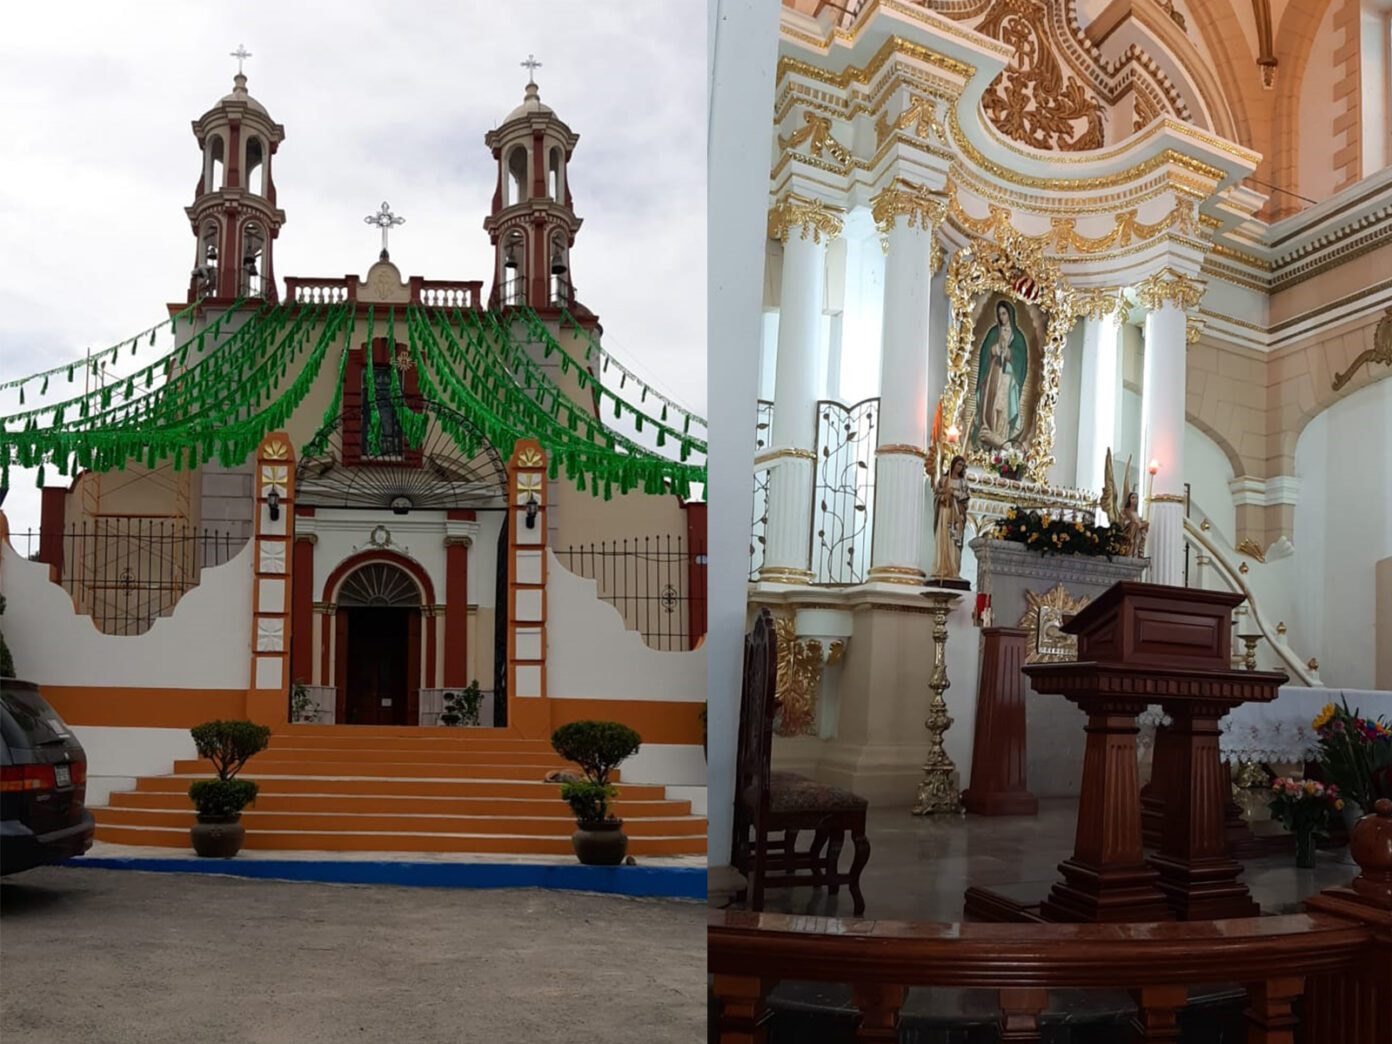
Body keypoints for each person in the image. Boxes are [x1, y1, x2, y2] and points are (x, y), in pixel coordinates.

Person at [972, 299, 1028, 450]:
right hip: (993, 374)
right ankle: (988, 433)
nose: (1002, 317)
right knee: (991, 403)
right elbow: (984, 353)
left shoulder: (1018, 337)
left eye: (1004, 313)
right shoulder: (993, 332)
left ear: (1010, 314)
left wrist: (1010, 354)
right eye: (1000, 314)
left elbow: (1022, 361)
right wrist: (993, 350)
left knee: (1003, 406)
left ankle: (1002, 437)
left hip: (1008, 377)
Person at [932, 455, 971, 579]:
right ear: (953, 464)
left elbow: (966, 498)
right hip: (945, 513)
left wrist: (953, 494)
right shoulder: (944, 480)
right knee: (944, 539)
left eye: (962, 466)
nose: (959, 468)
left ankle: (953, 569)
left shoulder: (963, 482)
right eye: (958, 464)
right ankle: (942, 568)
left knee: (954, 541)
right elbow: (937, 495)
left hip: (956, 516)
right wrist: (943, 497)